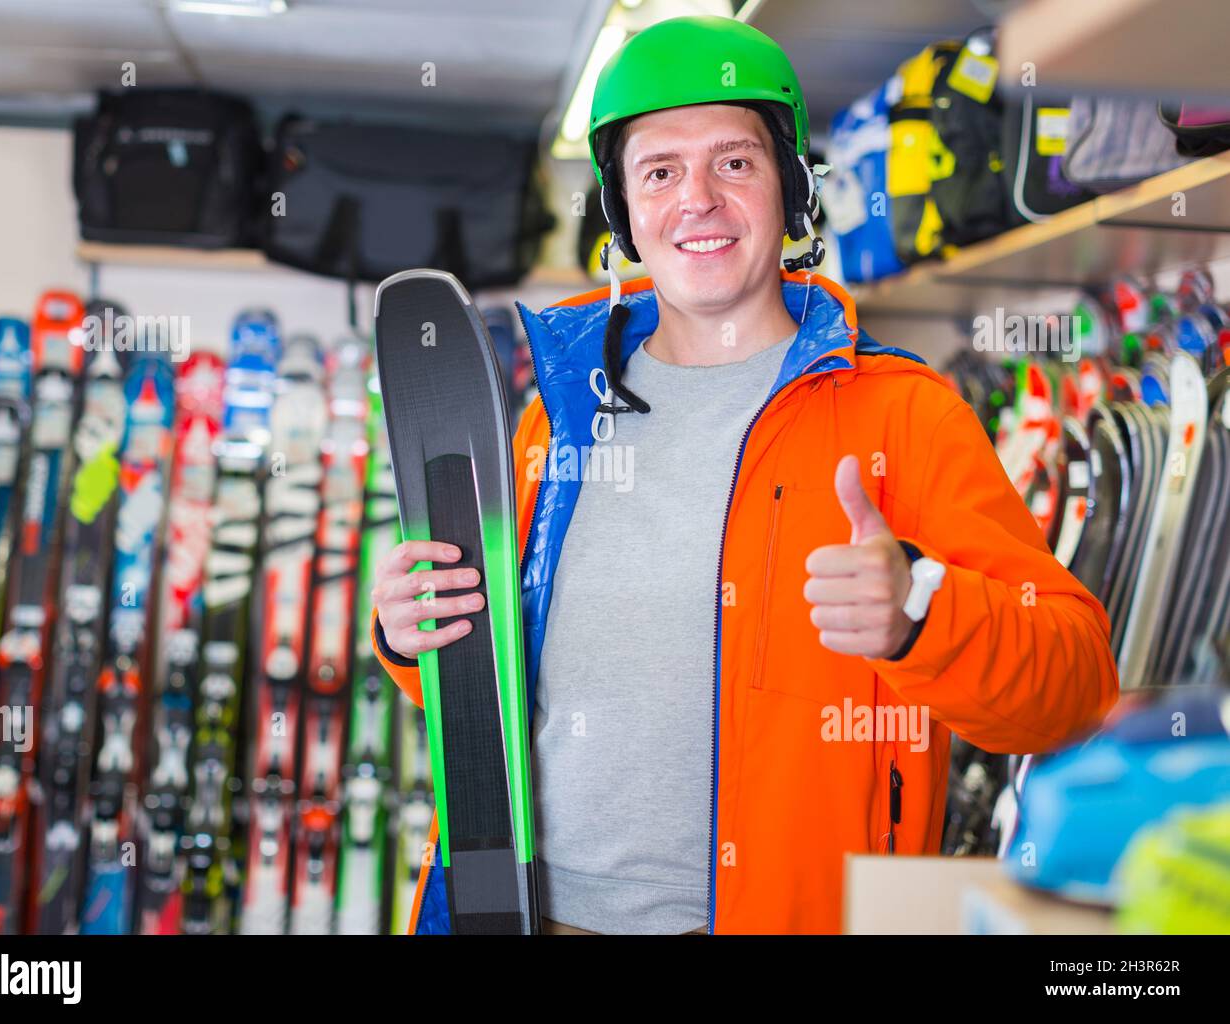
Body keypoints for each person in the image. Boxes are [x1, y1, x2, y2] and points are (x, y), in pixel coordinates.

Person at [370, 15, 1118, 935]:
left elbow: (1075, 688)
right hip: (530, 915)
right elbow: (524, 688)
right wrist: (418, 637)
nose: (698, 200)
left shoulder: (902, 415)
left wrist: (924, 605)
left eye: (734, 162)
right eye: (659, 172)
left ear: (792, 189)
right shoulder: (558, 412)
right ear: (623, 213)